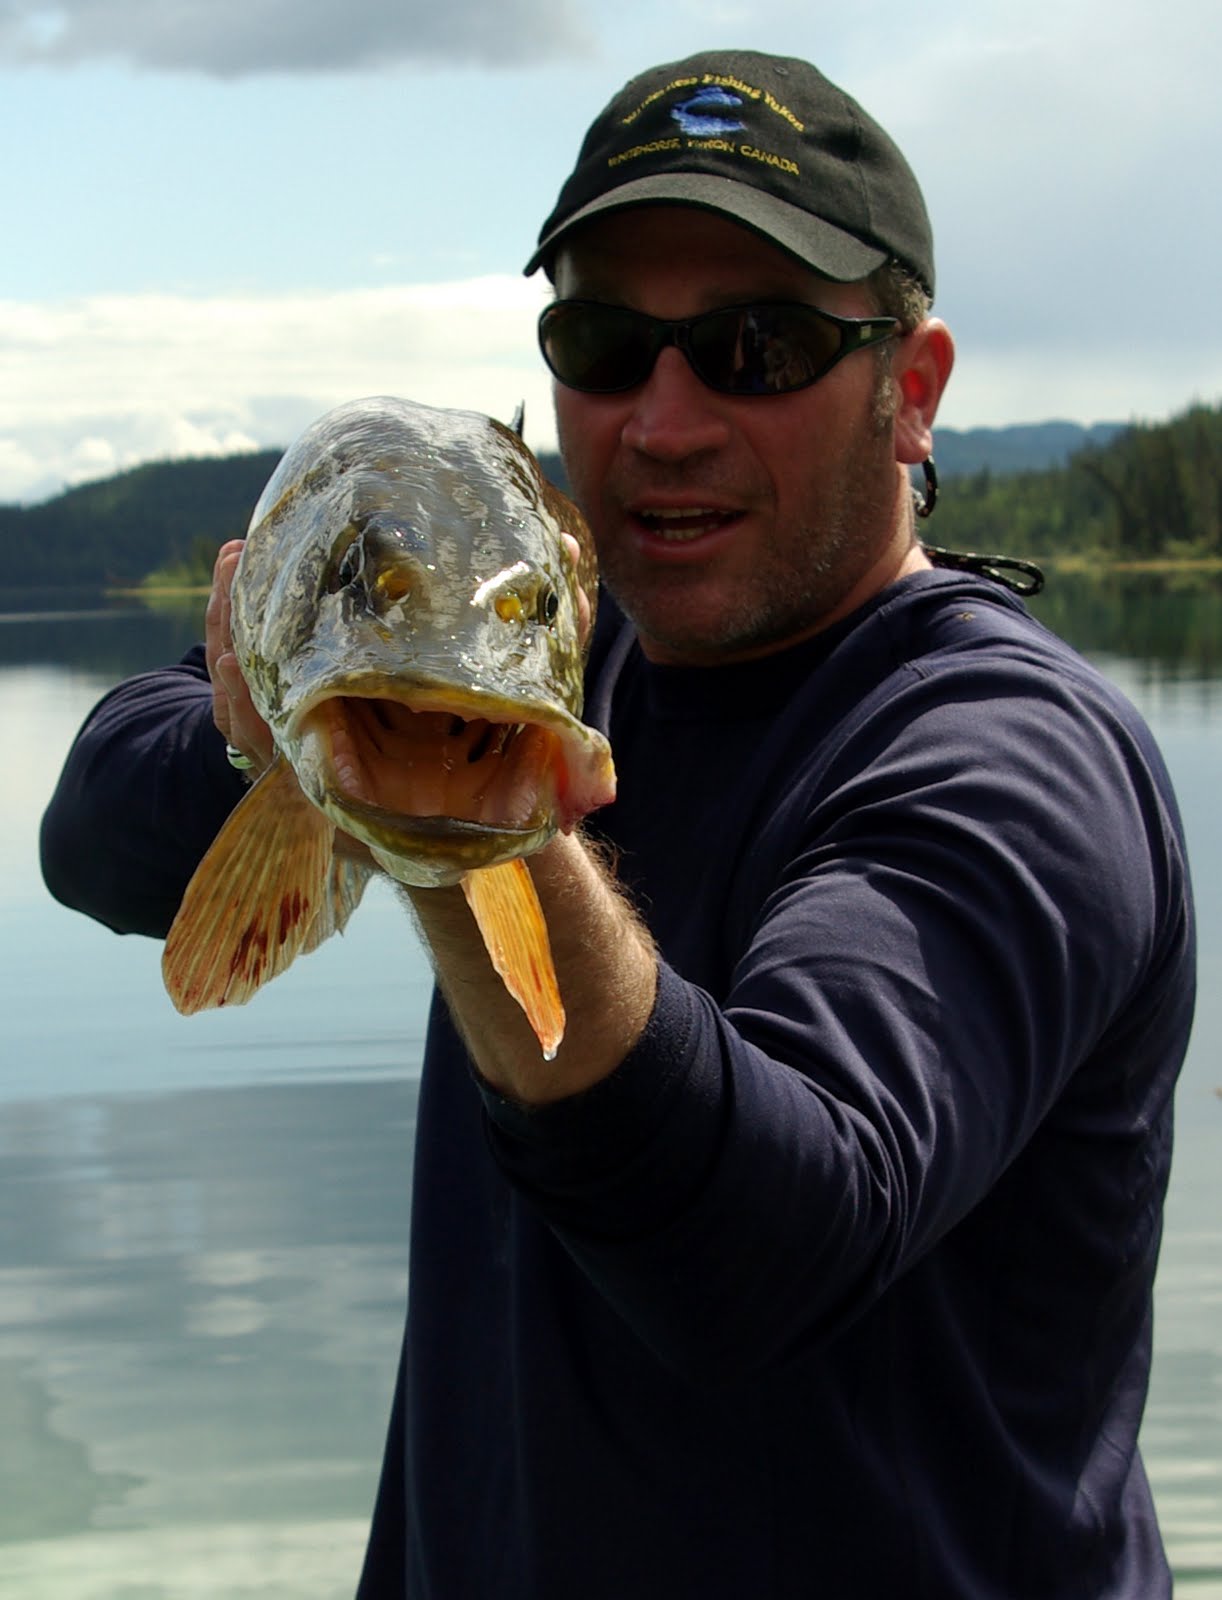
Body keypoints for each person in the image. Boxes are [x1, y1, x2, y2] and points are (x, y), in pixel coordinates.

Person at [40, 48, 1195, 1600]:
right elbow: (95, 831)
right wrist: (281, 718)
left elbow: (764, 1244)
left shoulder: (1011, 757)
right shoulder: (529, 642)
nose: (663, 420)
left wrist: (487, 826)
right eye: (602, 342)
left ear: (908, 392)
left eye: (756, 347)